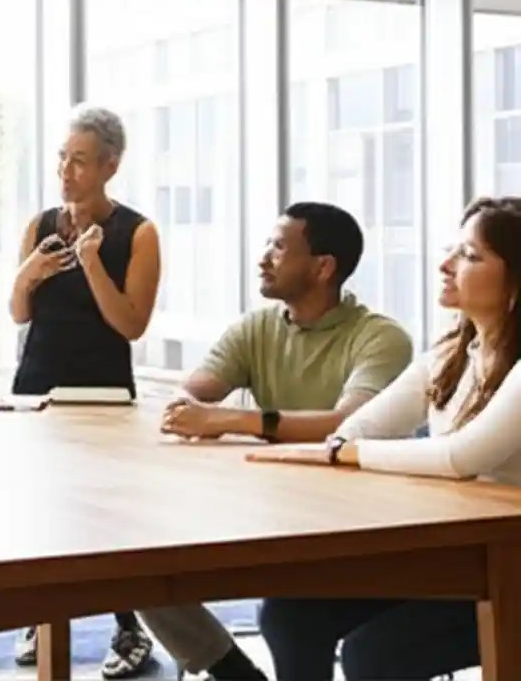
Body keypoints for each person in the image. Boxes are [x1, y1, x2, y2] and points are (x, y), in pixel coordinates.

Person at [246, 196, 521, 680]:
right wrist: (337, 448)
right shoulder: (453, 353)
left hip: (510, 567)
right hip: (456, 555)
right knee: (289, 614)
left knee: (376, 655)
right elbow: (362, 425)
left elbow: (461, 457)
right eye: (453, 250)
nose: (446, 264)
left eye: (471, 256)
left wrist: (344, 454)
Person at [143, 201, 414, 680]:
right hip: (268, 512)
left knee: (288, 616)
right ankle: (232, 673)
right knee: (139, 573)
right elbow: (194, 392)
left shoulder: (381, 338)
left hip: (358, 528)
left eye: (279, 247)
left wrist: (236, 420)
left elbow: (349, 422)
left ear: (323, 267)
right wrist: (188, 408)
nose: (263, 258)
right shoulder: (258, 327)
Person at [8, 104, 161, 677]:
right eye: (62, 159)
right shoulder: (41, 223)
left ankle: (129, 629)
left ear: (109, 166)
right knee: (38, 508)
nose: (66, 172)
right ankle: (42, 620)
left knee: (106, 521)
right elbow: (20, 312)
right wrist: (29, 276)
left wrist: (92, 263)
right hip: (36, 387)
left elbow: (131, 324)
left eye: (79, 161)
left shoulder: (138, 232)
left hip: (102, 394)